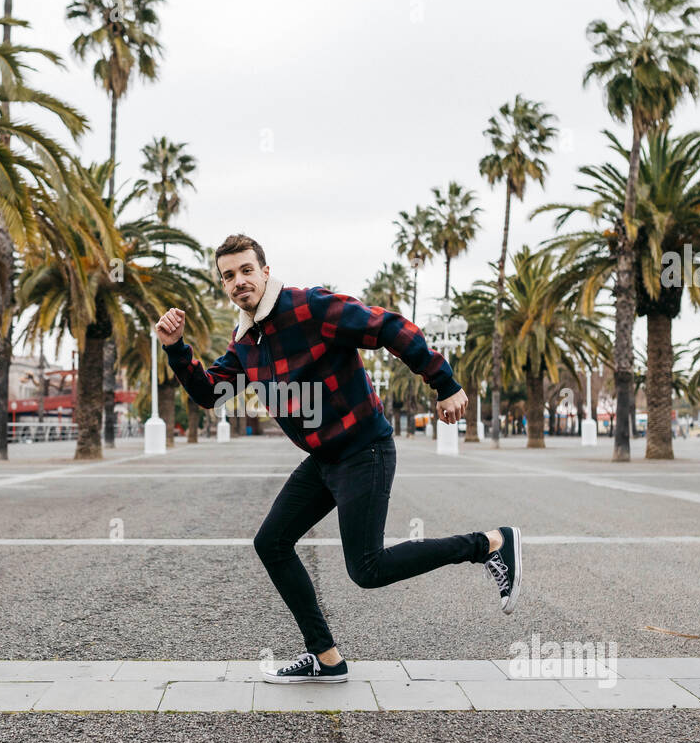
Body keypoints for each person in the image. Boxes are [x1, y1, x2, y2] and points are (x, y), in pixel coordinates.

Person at [154, 233, 522, 684]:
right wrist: (176, 347)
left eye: (247, 270)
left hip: (363, 449)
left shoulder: (310, 307)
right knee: (271, 543)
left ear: (265, 271)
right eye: (228, 276)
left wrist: (443, 382)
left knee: (367, 569)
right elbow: (211, 392)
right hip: (324, 459)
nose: (239, 281)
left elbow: (389, 326)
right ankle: (326, 659)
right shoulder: (246, 338)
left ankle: (491, 544)